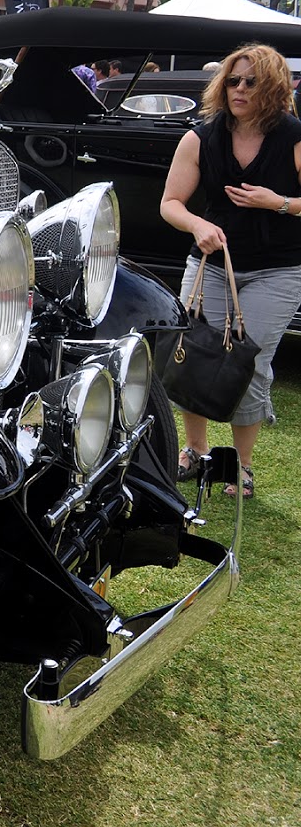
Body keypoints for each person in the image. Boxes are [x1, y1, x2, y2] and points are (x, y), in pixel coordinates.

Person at [160, 43, 301, 498]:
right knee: (194, 353)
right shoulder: (200, 137)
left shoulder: (294, 139)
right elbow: (170, 204)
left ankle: (241, 467)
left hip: (276, 271)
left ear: (274, 88)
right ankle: (197, 451)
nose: (239, 89)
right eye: (233, 80)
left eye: (251, 82)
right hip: (211, 266)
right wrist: (198, 224)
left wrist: (276, 202)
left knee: (251, 362)